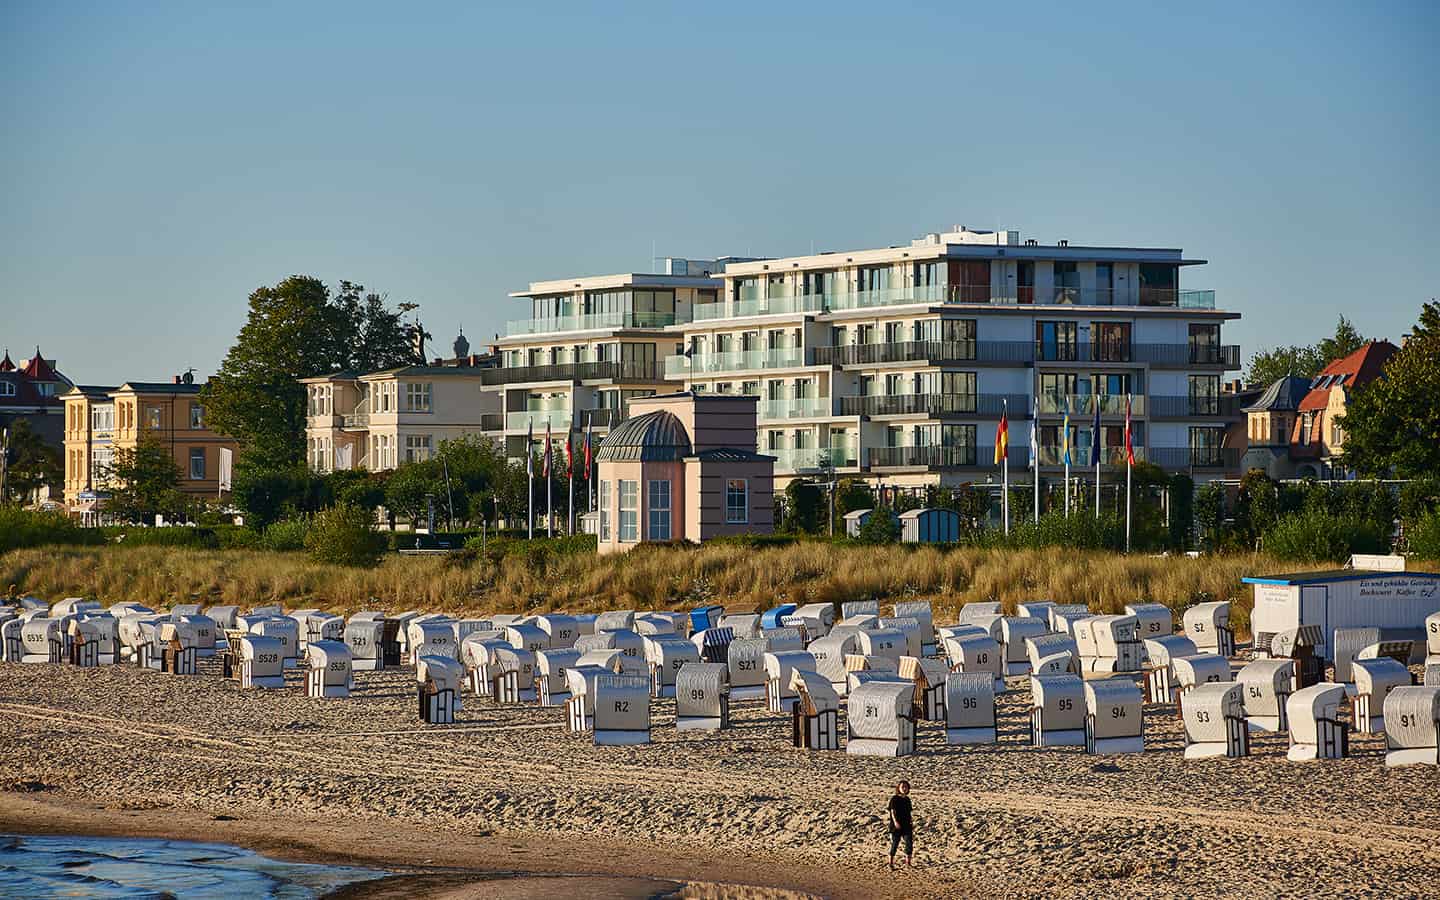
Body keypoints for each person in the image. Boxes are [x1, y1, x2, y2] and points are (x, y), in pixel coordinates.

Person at [886, 780, 913, 870]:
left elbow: (909, 812)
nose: (904, 789)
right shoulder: (894, 799)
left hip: (906, 825)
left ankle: (908, 863)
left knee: (909, 843)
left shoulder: (907, 799)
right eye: (902, 787)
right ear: (899, 788)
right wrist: (895, 822)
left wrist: (911, 822)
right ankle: (890, 863)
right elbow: (892, 811)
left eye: (906, 787)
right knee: (895, 844)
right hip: (896, 826)